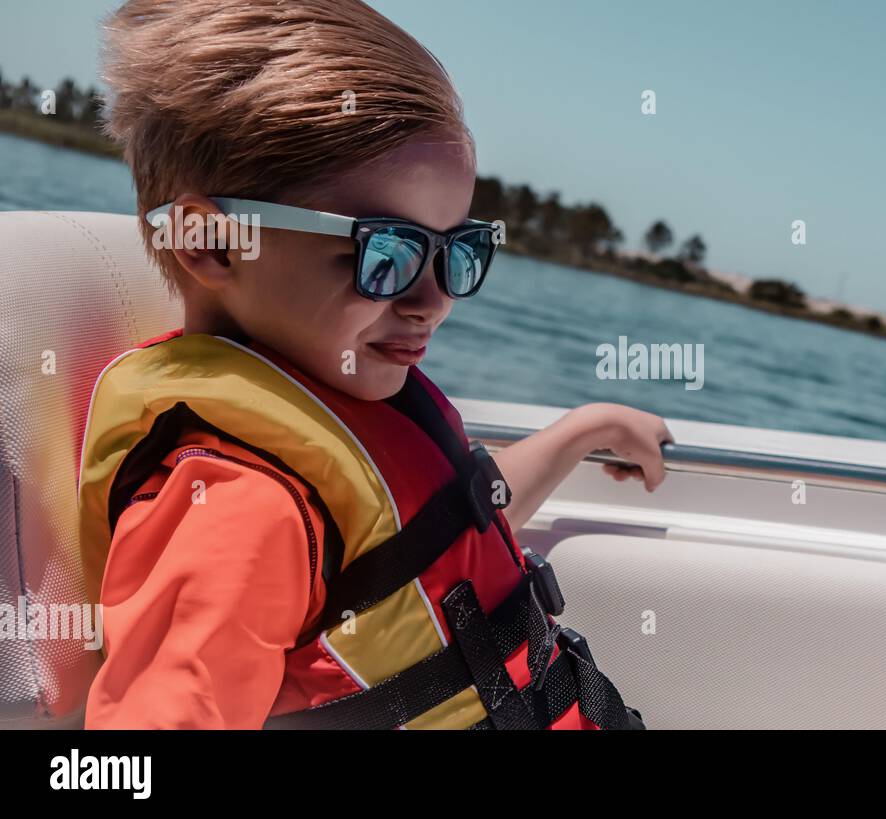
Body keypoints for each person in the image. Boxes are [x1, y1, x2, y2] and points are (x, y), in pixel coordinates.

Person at [77, 0, 670, 729]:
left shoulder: (341, 396)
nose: (433, 301)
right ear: (214, 243)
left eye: (458, 252)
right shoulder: (239, 504)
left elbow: (437, 529)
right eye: (384, 252)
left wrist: (583, 429)